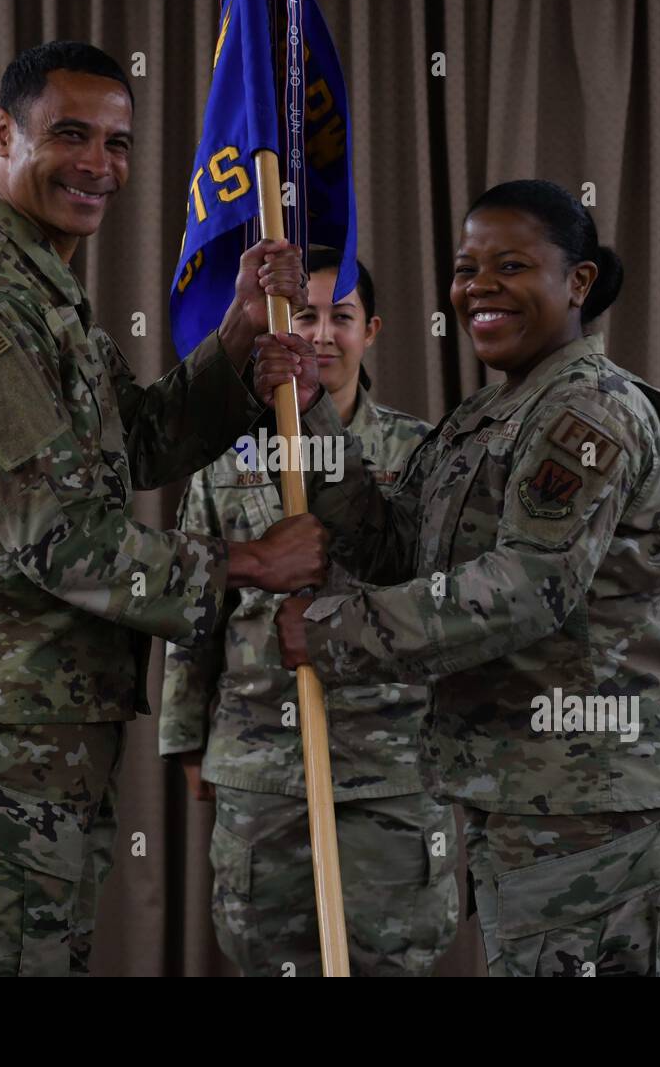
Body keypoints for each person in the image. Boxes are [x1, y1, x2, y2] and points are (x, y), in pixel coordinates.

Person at [0, 40, 326, 977]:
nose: (97, 165)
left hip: (38, 720)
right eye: (70, 135)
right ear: (4, 133)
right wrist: (245, 564)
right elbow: (56, 533)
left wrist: (239, 335)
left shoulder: (44, 292)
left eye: (116, 144)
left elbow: (139, 443)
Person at [256, 180, 660, 977]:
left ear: (577, 282)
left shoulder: (588, 412)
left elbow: (522, 588)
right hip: (528, 787)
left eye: (510, 265)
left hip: (595, 795)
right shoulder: (488, 414)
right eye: (468, 269)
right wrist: (314, 418)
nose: (479, 288)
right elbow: (392, 544)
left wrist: (332, 635)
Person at [160, 249, 459, 977]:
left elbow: (448, 605)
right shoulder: (225, 456)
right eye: (305, 316)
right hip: (262, 761)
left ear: (373, 329)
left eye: (341, 317)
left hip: (390, 765)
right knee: (267, 956)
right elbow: (192, 608)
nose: (322, 335)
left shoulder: (423, 454)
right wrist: (189, 739)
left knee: (397, 959)